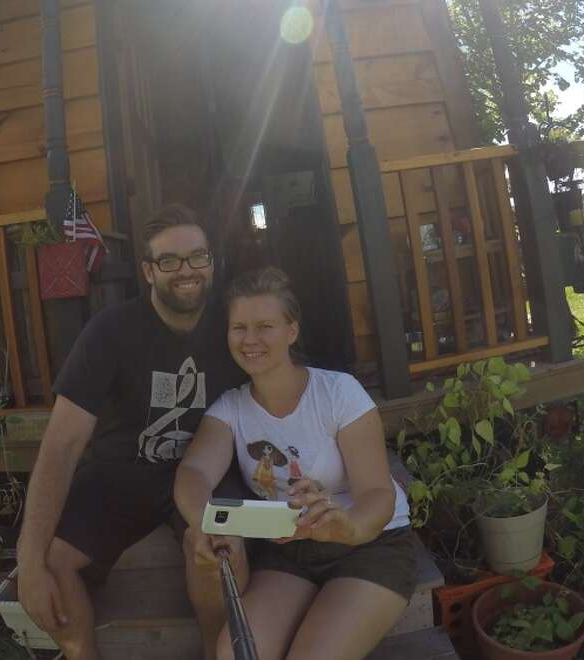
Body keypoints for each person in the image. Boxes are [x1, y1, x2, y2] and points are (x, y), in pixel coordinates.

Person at [16, 204, 249, 660]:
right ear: (148, 271)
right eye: (169, 261)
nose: (186, 271)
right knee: (52, 564)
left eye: (197, 257)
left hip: (206, 471)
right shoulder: (110, 331)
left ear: (212, 263)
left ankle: (214, 652)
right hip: (122, 474)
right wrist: (27, 561)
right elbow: (62, 446)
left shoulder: (235, 326)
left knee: (216, 551)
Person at [175, 267, 416, 660]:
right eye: (239, 327)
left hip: (371, 546)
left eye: (265, 326)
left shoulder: (338, 393)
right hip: (287, 553)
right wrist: (207, 521)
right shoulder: (231, 408)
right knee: (237, 654)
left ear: (291, 331)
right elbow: (194, 473)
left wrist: (349, 527)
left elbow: (377, 493)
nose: (250, 339)